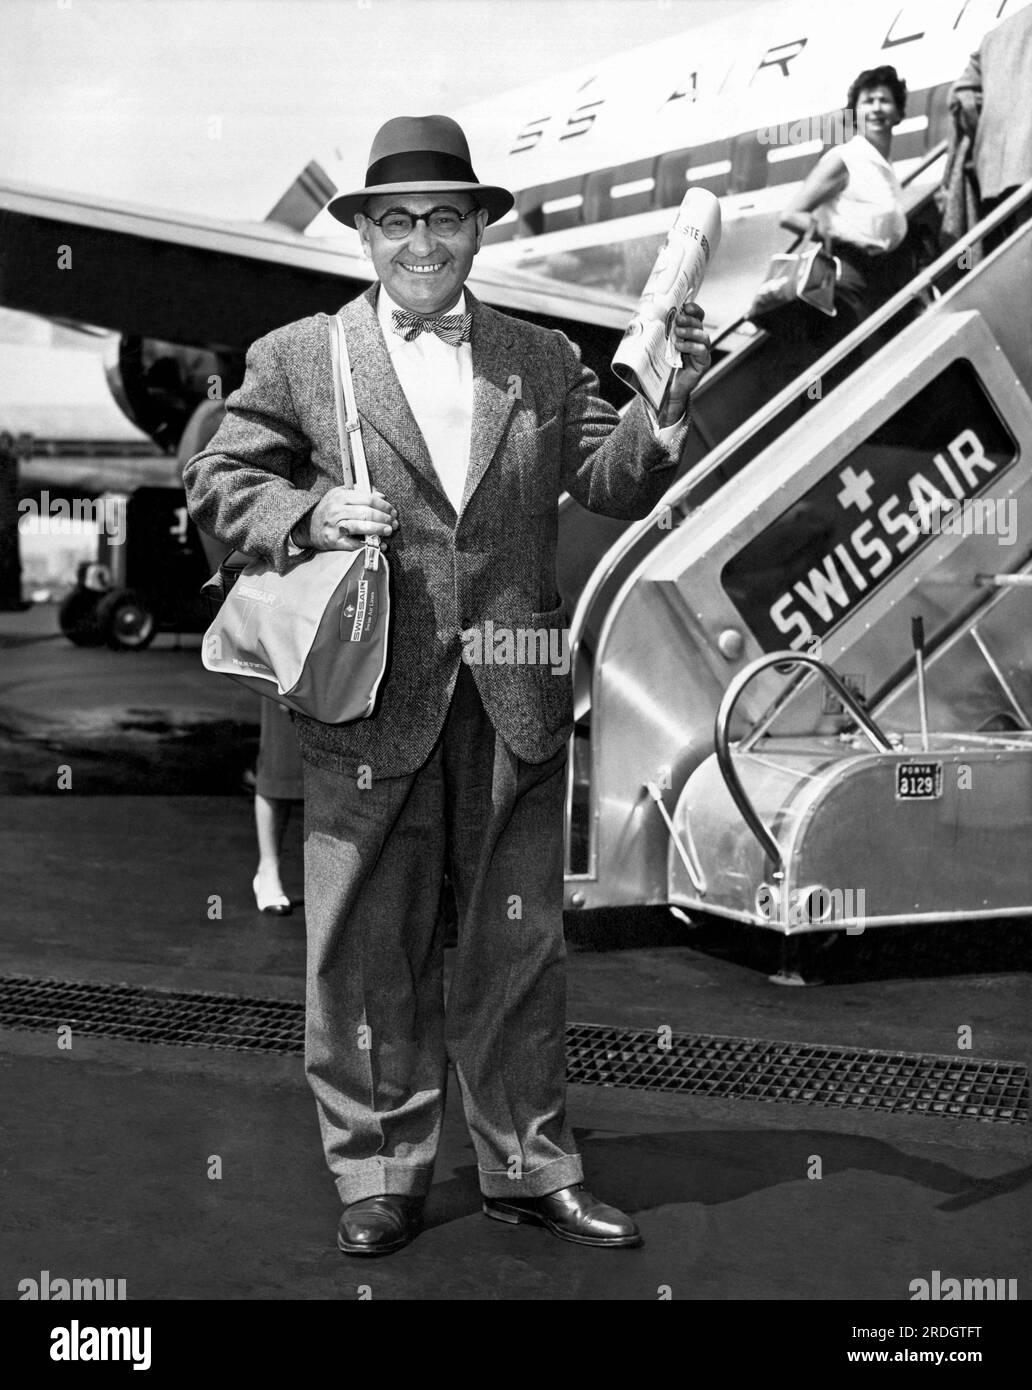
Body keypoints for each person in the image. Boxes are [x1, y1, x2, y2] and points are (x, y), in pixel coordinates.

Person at [183, 114, 711, 1257]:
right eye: (397, 221)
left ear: (477, 230)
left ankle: (529, 1167)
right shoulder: (302, 358)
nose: (421, 240)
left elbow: (607, 480)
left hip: (514, 697)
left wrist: (663, 412)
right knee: (370, 950)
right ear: (367, 236)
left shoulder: (541, 355)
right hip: (371, 699)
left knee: (520, 950)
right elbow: (213, 477)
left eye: (444, 219)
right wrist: (305, 512)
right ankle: (378, 1169)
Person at [779, 65, 916, 348]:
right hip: (847, 278)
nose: (877, 109)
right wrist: (836, 234)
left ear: (898, 113)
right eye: (868, 101)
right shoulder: (845, 159)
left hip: (879, 279)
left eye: (885, 101)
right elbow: (791, 214)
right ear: (855, 113)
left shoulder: (883, 169)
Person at [947, 5, 1032, 245]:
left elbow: (961, 96)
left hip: (997, 175)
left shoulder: (996, 35)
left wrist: (991, 137)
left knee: (1011, 251)